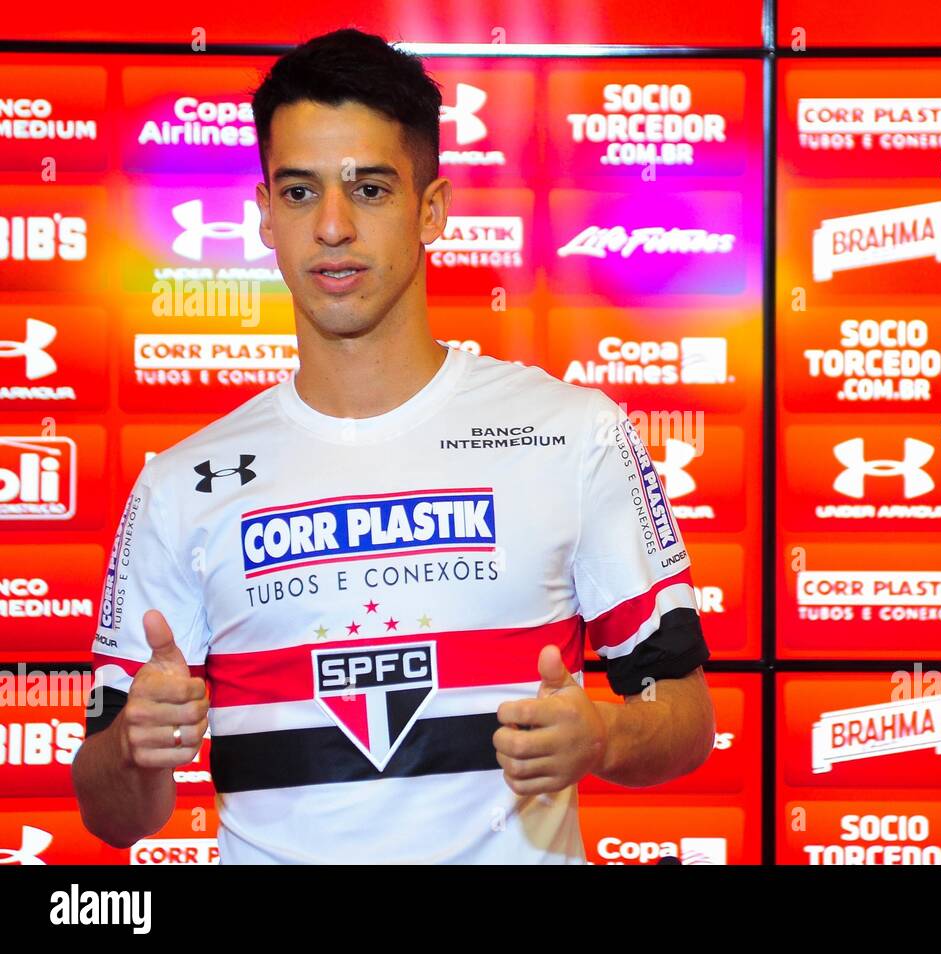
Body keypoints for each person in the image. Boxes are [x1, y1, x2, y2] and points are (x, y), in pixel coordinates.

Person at [71, 28, 714, 864]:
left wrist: (604, 737)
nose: (332, 228)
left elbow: (688, 721)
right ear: (264, 215)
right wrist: (131, 749)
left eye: (369, 189)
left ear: (433, 209)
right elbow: (110, 814)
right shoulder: (183, 483)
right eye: (299, 194)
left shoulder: (574, 433)